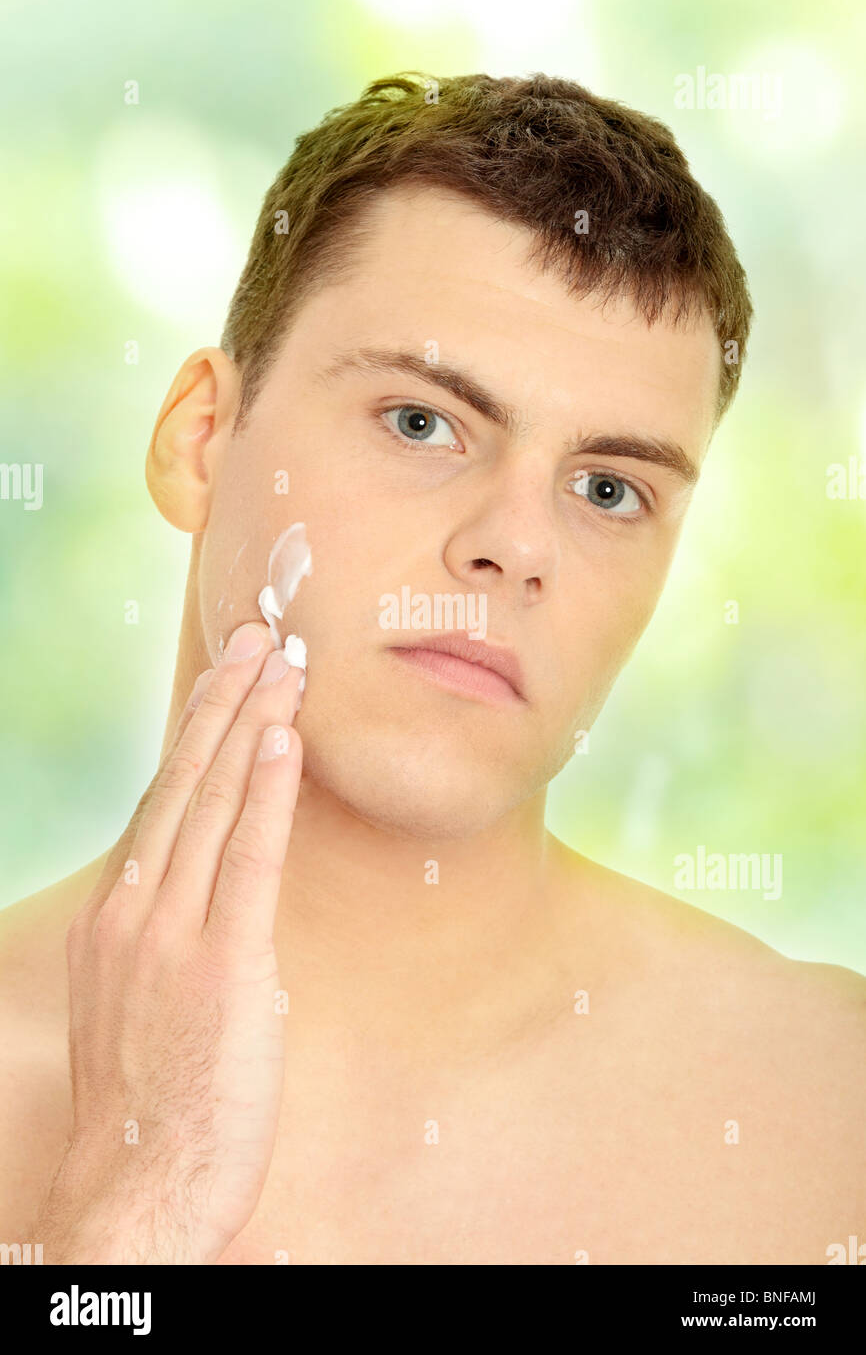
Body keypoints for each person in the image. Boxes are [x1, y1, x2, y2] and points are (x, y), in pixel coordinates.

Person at [1, 73, 863, 1266]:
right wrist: (123, 1216)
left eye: (606, 488)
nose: (514, 544)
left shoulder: (827, 1115)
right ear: (198, 439)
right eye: (421, 422)